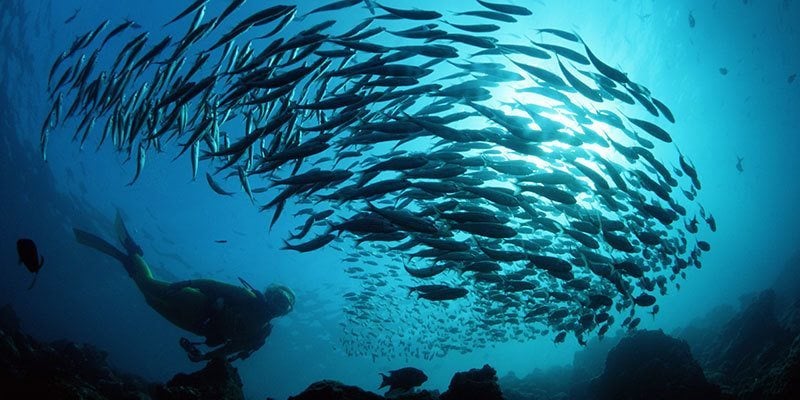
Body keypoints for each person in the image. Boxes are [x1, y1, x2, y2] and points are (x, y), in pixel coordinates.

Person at [73, 212, 295, 362]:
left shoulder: (260, 334)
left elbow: (228, 350)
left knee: (149, 299)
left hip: (196, 327)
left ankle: (128, 263)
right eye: (278, 299)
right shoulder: (248, 297)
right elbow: (214, 285)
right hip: (197, 302)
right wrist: (186, 283)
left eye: (283, 306)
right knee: (149, 285)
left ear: (285, 313)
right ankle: (133, 251)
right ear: (270, 294)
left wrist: (203, 358)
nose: (277, 306)